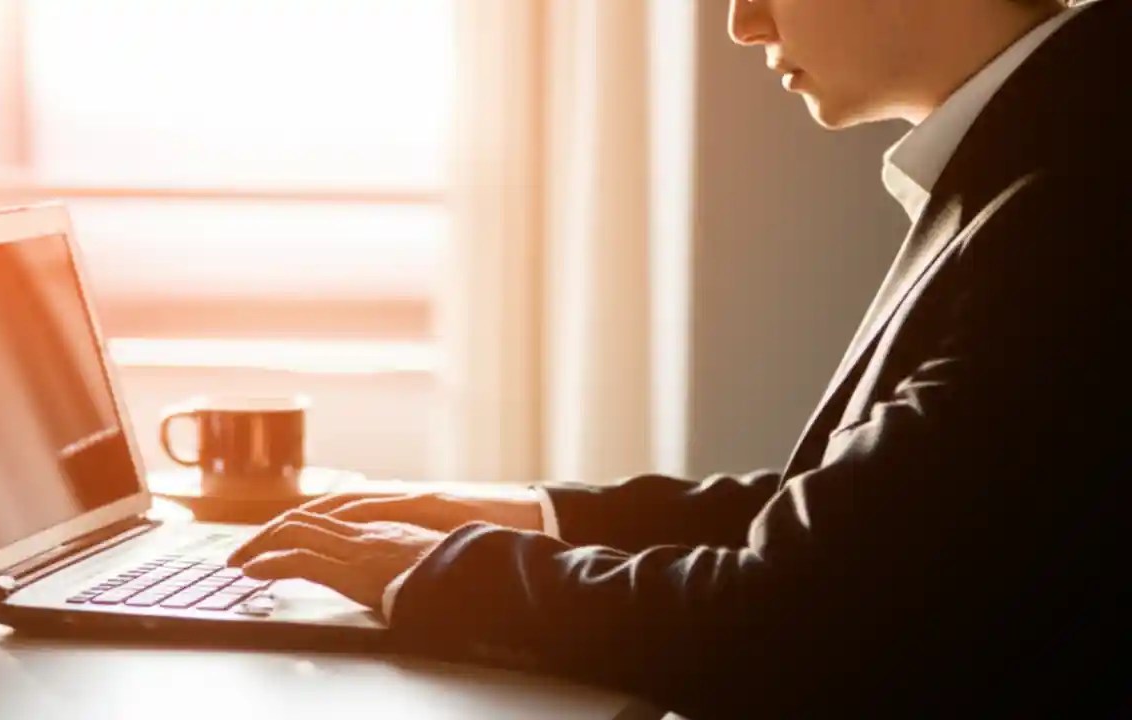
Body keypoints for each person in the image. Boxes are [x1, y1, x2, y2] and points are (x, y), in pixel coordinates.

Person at [228, 0, 1128, 716]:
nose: (744, 22)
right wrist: (528, 515)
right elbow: (871, 521)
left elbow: (789, 622)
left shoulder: (1072, 202)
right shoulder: (1055, 148)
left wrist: (438, 572)